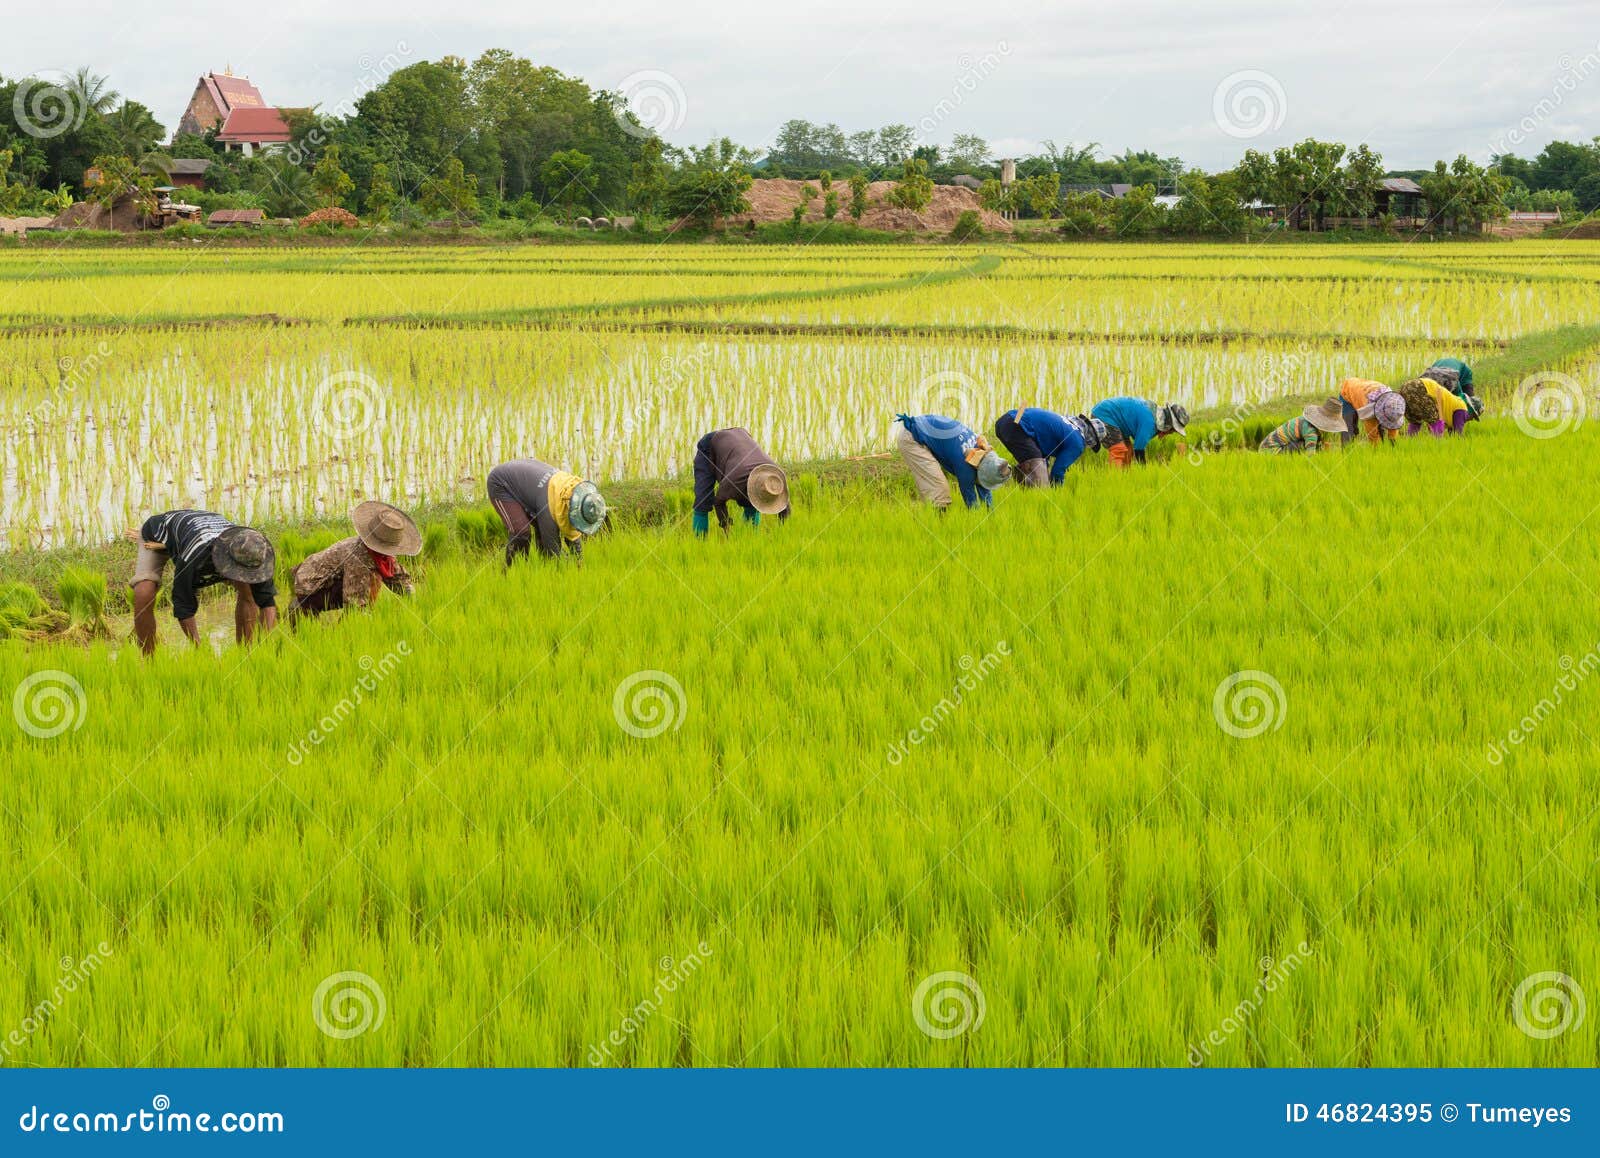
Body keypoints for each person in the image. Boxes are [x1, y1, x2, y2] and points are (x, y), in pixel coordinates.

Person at [128, 510, 277, 656]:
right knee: (144, 592)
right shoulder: (195, 557)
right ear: (227, 559)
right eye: (240, 570)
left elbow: (267, 602)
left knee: (248, 589)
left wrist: (265, 645)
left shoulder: (255, 551)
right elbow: (183, 607)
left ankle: (246, 653)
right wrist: (202, 651)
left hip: (204, 528)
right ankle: (150, 660)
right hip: (159, 535)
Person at [288, 502, 420, 617]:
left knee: (374, 577)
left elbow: (399, 580)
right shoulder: (359, 558)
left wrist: (414, 601)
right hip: (311, 587)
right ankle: (338, 633)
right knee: (374, 579)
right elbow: (354, 604)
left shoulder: (381, 556)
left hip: (328, 580)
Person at [486, 458, 607, 566]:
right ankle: (510, 572)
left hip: (528, 480)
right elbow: (552, 551)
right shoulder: (551, 507)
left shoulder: (571, 495)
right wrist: (564, 569)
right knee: (521, 532)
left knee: (541, 529)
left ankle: (538, 569)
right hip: (501, 483)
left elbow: (572, 535)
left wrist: (579, 561)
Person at [894, 413, 1010, 510]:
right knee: (938, 490)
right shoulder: (965, 466)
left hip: (925, 427)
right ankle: (938, 523)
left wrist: (990, 512)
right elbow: (970, 499)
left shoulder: (983, 450)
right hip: (912, 438)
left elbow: (983, 485)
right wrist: (977, 517)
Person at [692, 427, 790, 535]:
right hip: (711, 445)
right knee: (703, 500)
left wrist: (782, 532)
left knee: (751, 503)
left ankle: (749, 536)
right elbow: (719, 502)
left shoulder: (775, 480)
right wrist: (727, 529)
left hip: (740, 441)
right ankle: (700, 541)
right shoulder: (734, 481)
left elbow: (785, 509)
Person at [993, 408, 1108, 486]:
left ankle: (1016, 487)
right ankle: (1030, 494)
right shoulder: (1077, 442)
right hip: (1017, 426)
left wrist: (1044, 470)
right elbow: (1058, 470)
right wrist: (1056, 491)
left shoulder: (1067, 425)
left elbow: (1044, 454)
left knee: (1034, 462)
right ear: (1092, 439)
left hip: (1006, 420)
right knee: (1038, 474)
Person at [1089, 398, 1188, 467]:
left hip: (1116, 419)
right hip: (1105, 414)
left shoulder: (1156, 415)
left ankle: (1125, 477)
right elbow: (1139, 450)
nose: (1171, 433)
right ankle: (1116, 481)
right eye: (1173, 430)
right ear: (1168, 424)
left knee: (1128, 450)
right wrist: (1143, 471)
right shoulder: (1150, 423)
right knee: (1118, 449)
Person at [1334, 379, 1405, 444]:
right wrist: (1376, 451)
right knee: (1349, 429)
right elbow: (1372, 435)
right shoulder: (1369, 408)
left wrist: (1393, 442)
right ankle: (1347, 449)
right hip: (1348, 392)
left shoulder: (1394, 403)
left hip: (1364, 387)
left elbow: (1393, 425)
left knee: (1381, 428)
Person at [1259, 404, 1347, 454]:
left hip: (1264, 447)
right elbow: (1311, 455)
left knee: (1317, 446)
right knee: (1305, 446)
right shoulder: (1311, 432)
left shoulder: (1306, 420)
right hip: (1271, 451)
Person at [1413, 377, 1483, 435]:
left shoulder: (1456, 406)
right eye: (1473, 415)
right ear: (1470, 408)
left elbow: (1452, 435)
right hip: (1429, 392)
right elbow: (1457, 435)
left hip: (1426, 390)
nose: (1471, 419)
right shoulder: (1462, 410)